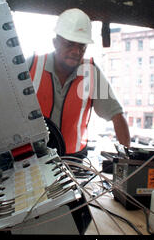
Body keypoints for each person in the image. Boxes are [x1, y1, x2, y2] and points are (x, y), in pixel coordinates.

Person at [28, 8, 130, 158]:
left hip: (73, 160)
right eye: (69, 44)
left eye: (82, 46)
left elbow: (117, 116)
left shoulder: (91, 72)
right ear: (55, 43)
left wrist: (128, 161)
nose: (76, 51)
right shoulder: (32, 66)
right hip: (32, 158)